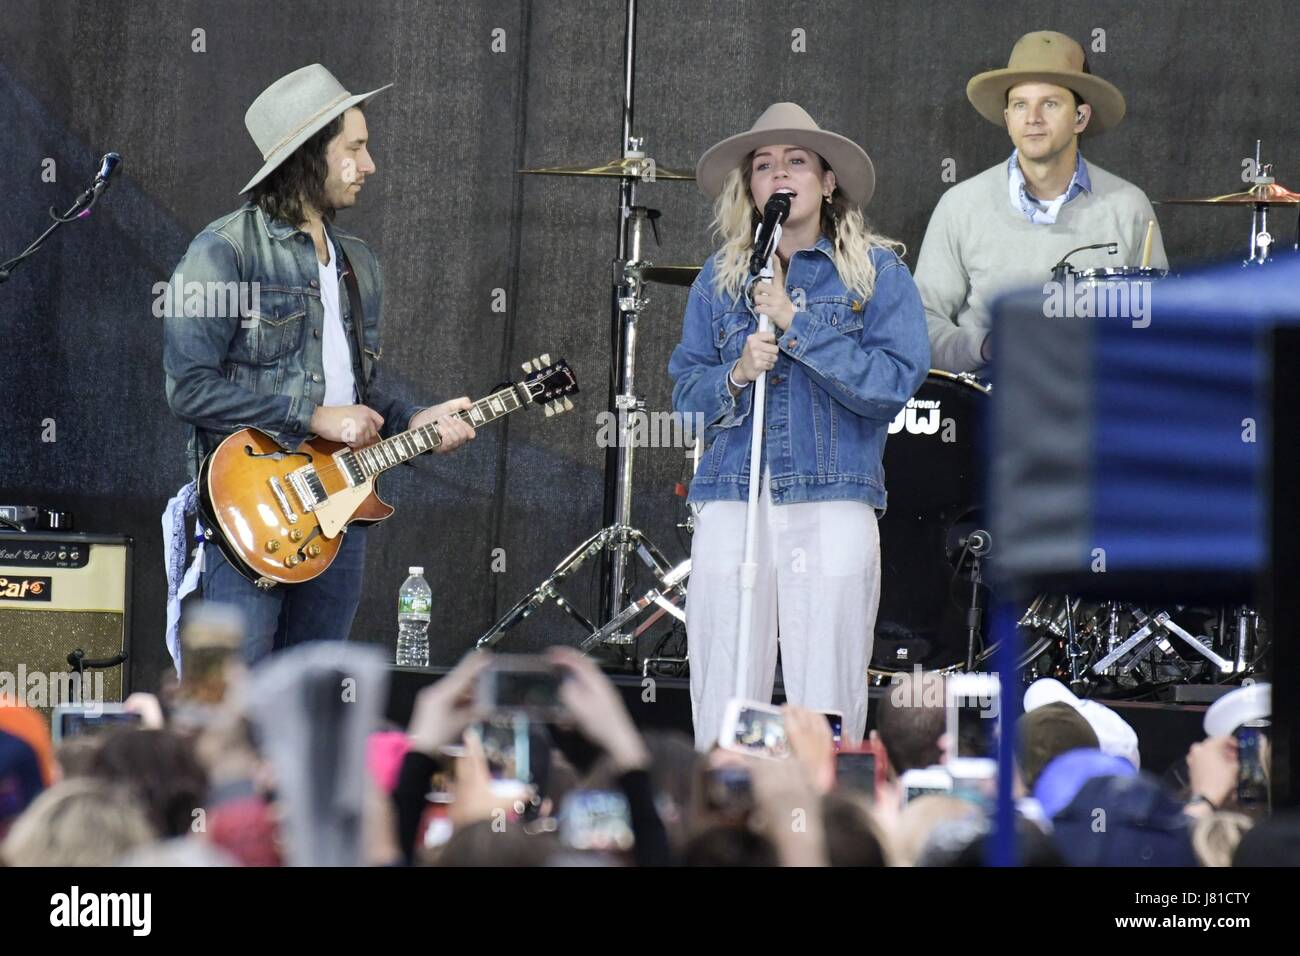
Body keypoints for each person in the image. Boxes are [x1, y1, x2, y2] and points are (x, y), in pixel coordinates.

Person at [162, 64, 476, 664]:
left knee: (314, 697)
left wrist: (415, 419)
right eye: (355, 148)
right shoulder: (222, 251)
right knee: (242, 704)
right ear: (309, 157)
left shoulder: (359, 262)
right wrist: (313, 416)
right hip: (255, 511)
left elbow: (356, 389)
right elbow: (189, 390)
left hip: (338, 509)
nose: (370, 164)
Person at [670, 102, 930, 750]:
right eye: (763, 165)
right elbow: (684, 397)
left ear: (827, 181)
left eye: (795, 161)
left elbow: (892, 384)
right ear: (750, 187)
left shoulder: (876, 274)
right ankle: (725, 824)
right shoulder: (719, 280)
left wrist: (796, 323)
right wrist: (733, 374)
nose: (779, 175)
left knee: (827, 683)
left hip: (832, 497)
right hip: (734, 498)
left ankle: (826, 826)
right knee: (725, 681)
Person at [916, 31, 1168, 373]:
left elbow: (1159, 326)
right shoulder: (959, 206)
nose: (1032, 117)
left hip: (1095, 405)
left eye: (1049, 103)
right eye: (1020, 104)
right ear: (1007, 119)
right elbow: (919, 324)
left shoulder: (1128, 206)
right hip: (988, 407)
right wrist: (987, 345)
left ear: (1080, 117)